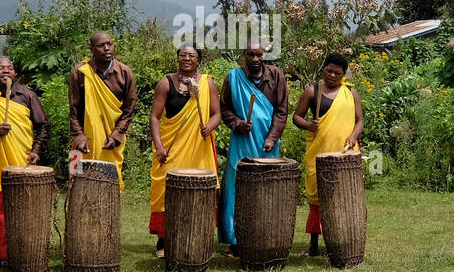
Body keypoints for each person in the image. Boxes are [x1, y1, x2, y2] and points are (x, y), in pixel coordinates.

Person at [0, 57, 49, 267]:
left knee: (26, 208)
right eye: (0, 68)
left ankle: (25, 251)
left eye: (10, 68)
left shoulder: (28, 95)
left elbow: (42, 126)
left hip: (25, 161)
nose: (6, 71)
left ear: (15, 73)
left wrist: (36, 151)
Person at [149, 45, 221, 257]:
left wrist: (210, 126)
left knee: (198, 190)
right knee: (167, 189)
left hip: (198, 146)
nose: (187, 58)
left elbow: (217, 113)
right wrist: (159, 146)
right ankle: (164, 240)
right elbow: (154, 117)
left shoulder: (207, 84)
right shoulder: (166, 83)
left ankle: (196, 236)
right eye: (183, 55)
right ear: (178, 58)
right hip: (171, 146)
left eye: (192, 55)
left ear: (199, 60)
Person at [218, 40, 288, 253]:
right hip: (242, 142)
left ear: (265, 54)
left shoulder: (276, 75)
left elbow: (281, 111)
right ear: (244, 55)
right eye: (251, 54)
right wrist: (238, 124)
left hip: (267, 144)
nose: (255, 59)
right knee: (237, 188)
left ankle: (263, 236)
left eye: (259, 54)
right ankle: (235, 240)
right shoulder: (233, 77)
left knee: (265, 189)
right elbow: (224, 109)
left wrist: (272, 137)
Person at [292, 53, 363, 258]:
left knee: (342, 198)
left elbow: (359, 120)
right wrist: (308, 125)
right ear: (324, 68)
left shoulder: (351, 93)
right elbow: (296, 117)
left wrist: (353, 136)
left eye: (337, 73)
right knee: (316, 200)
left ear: (343, 75)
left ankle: (341, 242)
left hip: (344, 155)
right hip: (319, 152)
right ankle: (314, 245)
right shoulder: (312, 91)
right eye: (329, 71)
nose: (332, 75)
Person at [68, 31, 136, 190]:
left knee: (110, 184)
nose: (107, 48)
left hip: (111, 139)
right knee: (76, 180)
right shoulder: (80, 72)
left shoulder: (124, 73)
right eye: (101, 45)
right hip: (83, 139)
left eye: (109, 44)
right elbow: (73, 110)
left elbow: (128, 110)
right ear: (92, 49)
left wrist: (117, 135)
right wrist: (78, 137)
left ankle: (110, 207)